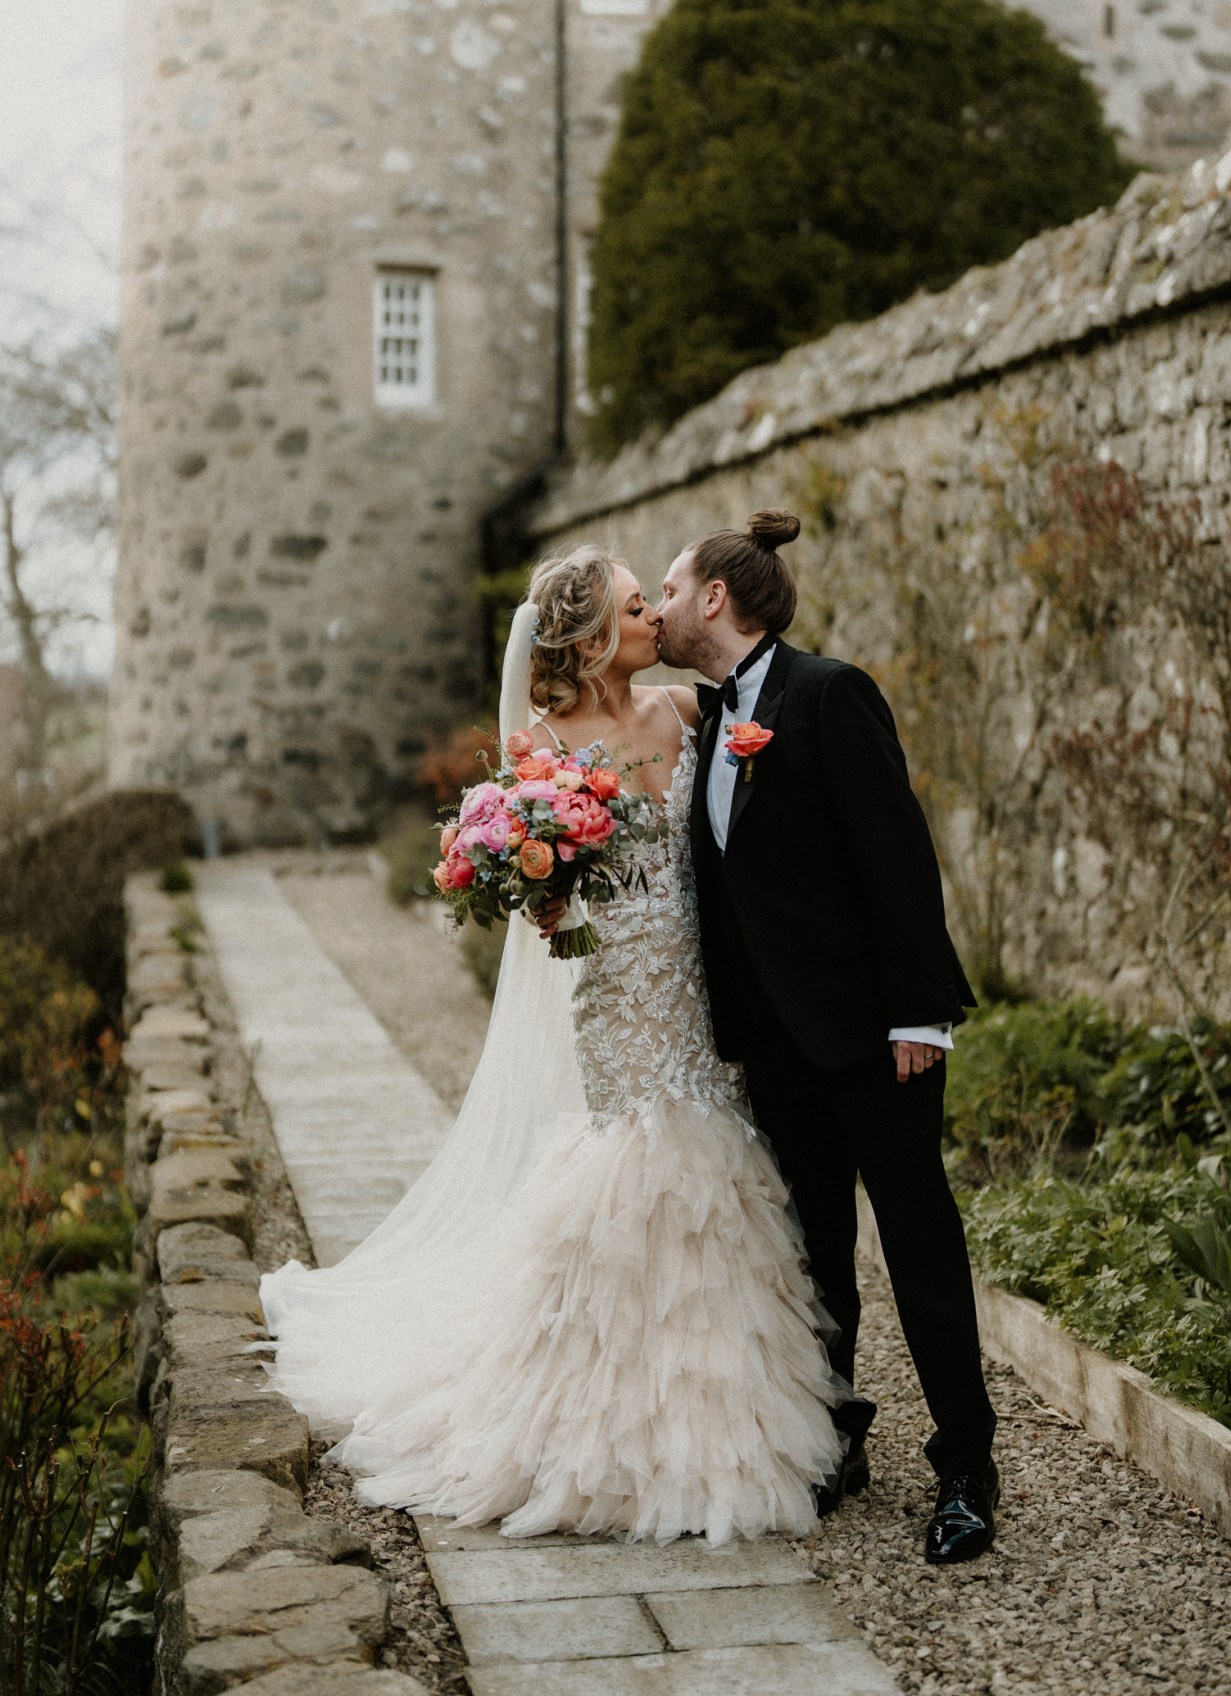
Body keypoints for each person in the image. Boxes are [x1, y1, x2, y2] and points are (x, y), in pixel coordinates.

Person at [259, 545, 842, 1543]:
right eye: (633, 605)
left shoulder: (683, 711)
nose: (654, 618)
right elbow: (524, 866)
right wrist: (538, 888)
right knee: (632, 1158)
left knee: (712, 1161)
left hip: (700, 982)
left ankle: (715, 1398)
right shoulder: (539, 746)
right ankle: (594, 1416)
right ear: (588, 635)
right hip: (616, 988)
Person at [657, 509, 1000, 1565]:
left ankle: (967, 1469)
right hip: (775, 1041)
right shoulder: (707, 718)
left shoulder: (827, 693)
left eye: (670, 588)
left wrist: (917, 1011)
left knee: (918, 1244)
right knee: (815, 1248)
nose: (660, 606)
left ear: (715, 596)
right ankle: (836, 1431)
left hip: (873, 1034)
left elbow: (897, 857)